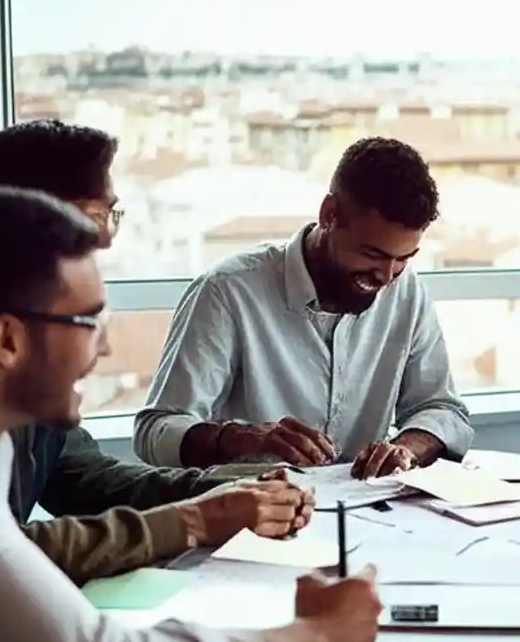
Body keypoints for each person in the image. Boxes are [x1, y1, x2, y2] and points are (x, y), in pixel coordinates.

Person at [0, 189, 382, 642]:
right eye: (88, 323)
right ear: (8, 340)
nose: (104, 348)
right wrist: (317, 636)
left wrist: (221, 498)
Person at [0, 119, 307, 585]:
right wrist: (197, 520)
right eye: (95, 215)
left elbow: (81, 478)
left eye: (112, 214)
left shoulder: (28, 330)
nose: (107, 237)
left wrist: (226, 490)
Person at [135, 136, 472, 478]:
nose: (386, 277)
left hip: (366, 505)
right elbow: (155, 430)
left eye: (403, 258)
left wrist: (405, 450)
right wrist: (245, 439)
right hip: (251, 505)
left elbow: (442, 410)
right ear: (329, 214)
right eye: (372, 254)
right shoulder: (228, 290)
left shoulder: (406, 291)